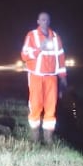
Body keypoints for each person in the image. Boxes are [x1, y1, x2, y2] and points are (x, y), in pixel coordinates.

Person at [20, 11, 67, 144]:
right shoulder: (31, 35)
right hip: (36, 76)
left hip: (51, 78)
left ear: (49, 21)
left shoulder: (56, 37)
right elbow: (24, 55)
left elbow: (60, 58)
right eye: (42, 19)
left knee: (51, 107)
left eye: (47, 19)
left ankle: (48, 139)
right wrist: (39, 48)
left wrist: (63, 76)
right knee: (35, 106)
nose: (44, 21)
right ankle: (35, 137)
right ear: (38, 21)